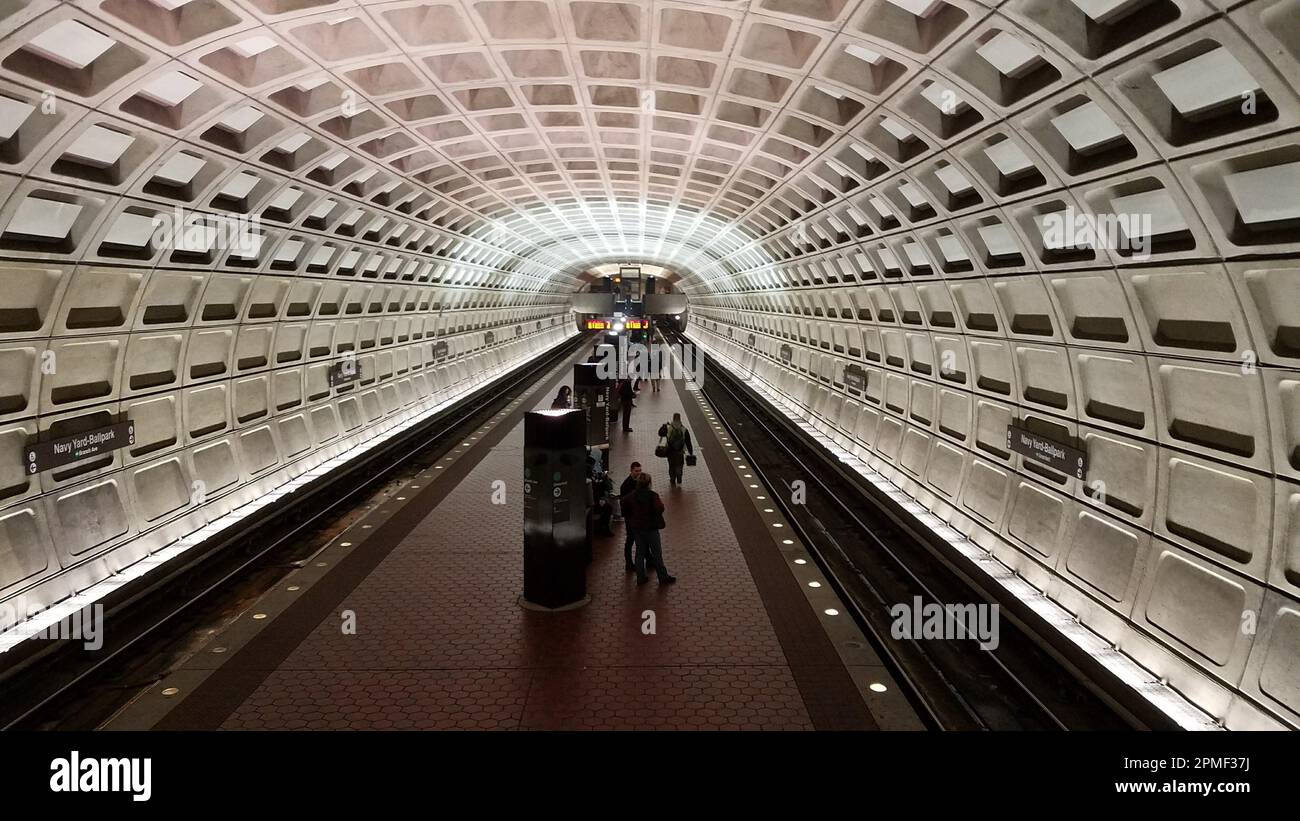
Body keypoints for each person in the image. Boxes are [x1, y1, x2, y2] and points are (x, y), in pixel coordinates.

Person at [622, 473, 675, 586]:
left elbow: (623, 502)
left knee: (640, 552)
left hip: (637, 527)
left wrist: (630, 516)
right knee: (656, 553)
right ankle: (662, 577)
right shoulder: (653, 495)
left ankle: (640, 577)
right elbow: (660, 508)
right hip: (651, 527)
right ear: (649, 483)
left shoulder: (632, 495)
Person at [657, 412, 694, 487]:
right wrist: (690, 452)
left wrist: (663, 426)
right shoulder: (684, 429)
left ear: (673, 418)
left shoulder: (669, 428)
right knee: (679, 465)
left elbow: (660, 434)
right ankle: (679, 478)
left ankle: (672, 479)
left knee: (671, 466)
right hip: (680, 452)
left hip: (670, 451)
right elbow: (688, 442)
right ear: (680, 419)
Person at [618, 462, 642, 571]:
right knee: (630, 539)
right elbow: (623, 502)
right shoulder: (626, 485)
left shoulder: (639, 482)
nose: (638, 473)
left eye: (639, 470)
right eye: (636, 471)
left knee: (640, 539)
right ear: (631, 470)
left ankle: (646, 559)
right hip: (630, 517)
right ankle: (629, 563)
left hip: (637, 516)